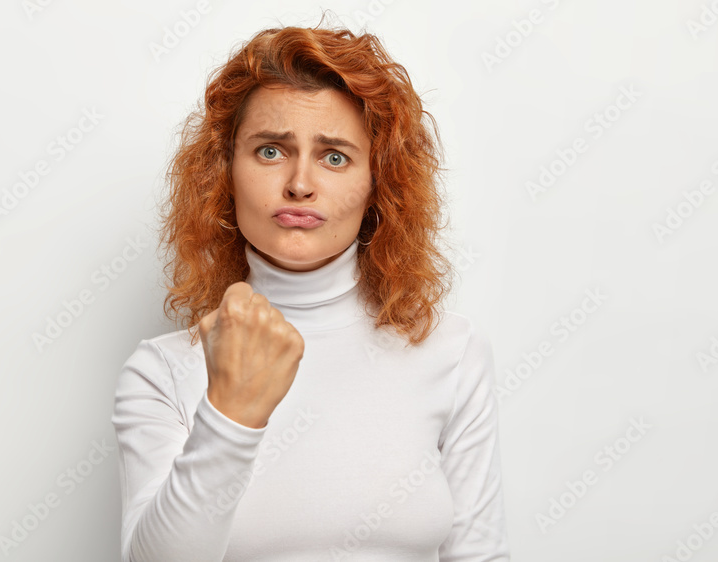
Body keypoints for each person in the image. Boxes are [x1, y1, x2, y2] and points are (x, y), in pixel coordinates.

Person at [112, 18, 509, 562]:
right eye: (270, 151)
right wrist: (231, 412)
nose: (300, 183)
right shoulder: (160, 372)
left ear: (377, 185)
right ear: (225, 173)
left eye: (334, 156)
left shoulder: (452, 352)